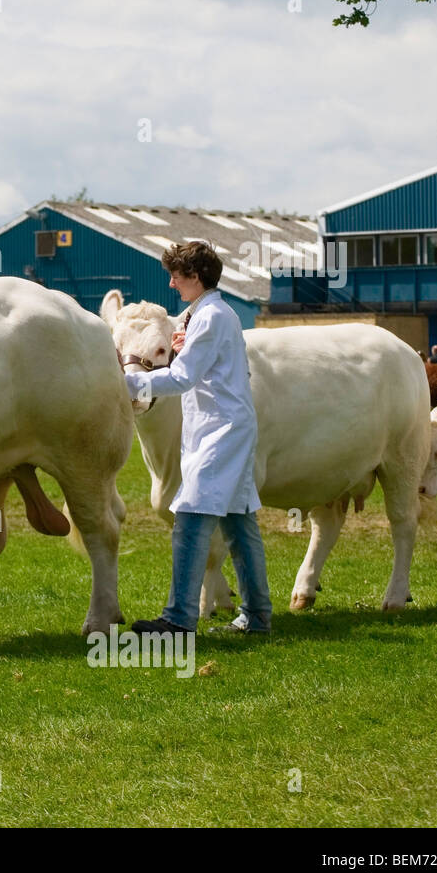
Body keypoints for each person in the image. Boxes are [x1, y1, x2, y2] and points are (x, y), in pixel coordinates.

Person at [123, 241, 272, 636]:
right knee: (240, 526)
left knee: (189, 518)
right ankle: (257, 615)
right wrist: (185, 348)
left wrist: (127, 383)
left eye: (176, 276)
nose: (172, 284)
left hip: (221, 431)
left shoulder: (209, 317)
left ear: (195, 276)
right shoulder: (210, 315)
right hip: (226, 426)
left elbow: (181, 378)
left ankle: (177, 619)